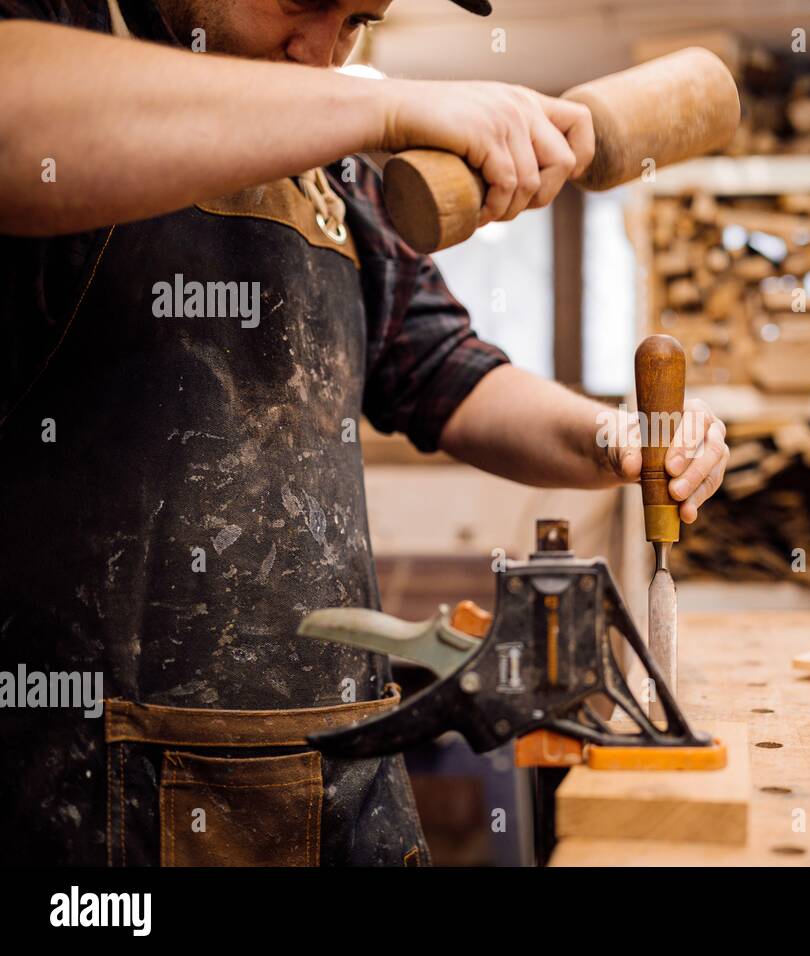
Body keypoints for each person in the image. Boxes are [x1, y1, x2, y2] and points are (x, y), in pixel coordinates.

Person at [0, 0, 729, 865]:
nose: (321, 52)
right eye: (305, 2)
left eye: (356, 22)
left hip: (338, 771)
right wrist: (386, 104)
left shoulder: (336, 171)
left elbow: (440, 371)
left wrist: (614, 439)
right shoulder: (60, 39)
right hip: (91, 808)